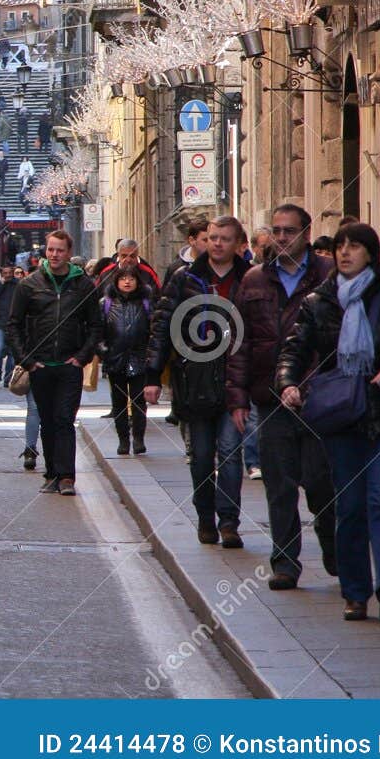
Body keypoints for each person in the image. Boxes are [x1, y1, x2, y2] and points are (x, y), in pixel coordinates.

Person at [276, 223, 380, 624]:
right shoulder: (319, 302)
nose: (345, 253)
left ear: (372, 253)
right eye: (340, 247)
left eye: (354, 247)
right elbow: (294, 349)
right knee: (348, 507)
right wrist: (289, 383)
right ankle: (355, 593)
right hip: (340, 418)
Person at [226, 204, 335, 590]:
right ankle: (285, 563)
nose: (282, 237)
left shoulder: (328, 275)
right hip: (269, 398)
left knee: (322, 483)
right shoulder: (255, 279)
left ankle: (332, 542)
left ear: (306, 232)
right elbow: (239, 343)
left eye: (289, 231)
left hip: (319, 400)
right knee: (280, 484)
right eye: (276, 231)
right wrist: (237, 397)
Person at [148, 217, 251, 547]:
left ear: (238, 243)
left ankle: (229, 522)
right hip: (195, 380)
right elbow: (163, 326)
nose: (217, 243)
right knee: (203, 456)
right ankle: (206, 517)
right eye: (213, 238)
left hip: (236, 381)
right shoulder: (184, 279)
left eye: (225, 238)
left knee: (231, 454)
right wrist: (152, 375)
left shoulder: (251, 279)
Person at [9, 229, 101, 493]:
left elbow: (96, 326)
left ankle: (67, 477)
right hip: (40, 366)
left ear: (69, 253)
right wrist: (26, 360)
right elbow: (13, 325)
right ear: (45, 252)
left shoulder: (82, 286)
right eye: (51, 250)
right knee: (47, 420)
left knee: (64, 419)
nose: (55, 254)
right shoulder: (29, 285)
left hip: (69, 366)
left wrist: (82, 357)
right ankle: (51, 473)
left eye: (60, 250)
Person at [99, 264, 156, 455]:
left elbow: (155, 330)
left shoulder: (146, 303)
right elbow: (97, 332)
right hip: (115, 359)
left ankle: (138, 439)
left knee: (139, 401)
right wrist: (104, 352)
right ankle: (123, 440)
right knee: (119, 403)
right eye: (123, 278)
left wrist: (150, 353)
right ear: (116, 281)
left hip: (140, 359)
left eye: (131, 278)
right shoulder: (106, 304)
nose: (127, 282)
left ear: (138, 282)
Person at [0, 264, 20, 386]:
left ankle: (7, 378)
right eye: (4, 273)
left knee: (12, 352)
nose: (7, 276)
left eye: (9, 273)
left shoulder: (18, 284)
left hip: (13, 322)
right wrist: (1, 284)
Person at [95, 238, 163, 294]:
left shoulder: (148, 273)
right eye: (124, 256)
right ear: (118, 255)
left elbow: (158, 296)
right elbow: (96, 296)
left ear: (137, 255)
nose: (128, 260)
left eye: (132, 256)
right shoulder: (106, 273)